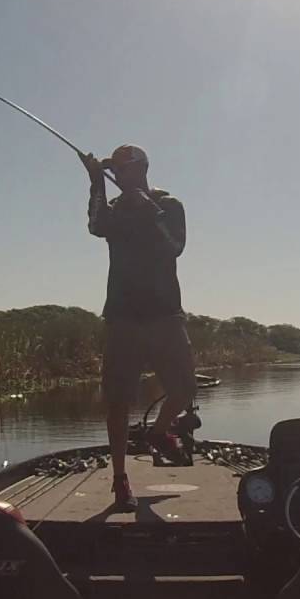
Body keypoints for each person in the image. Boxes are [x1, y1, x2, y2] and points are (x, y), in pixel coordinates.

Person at [80, 144, 196, 512]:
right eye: (116, 169)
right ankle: (120, 479)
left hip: (165, 314)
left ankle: (159, 432)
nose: (121, 174)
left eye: (124, 168)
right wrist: (95, 181)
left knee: (184, 389)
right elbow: (96, 226)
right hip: (123, 318)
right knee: (118, 402)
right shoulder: (114, 211)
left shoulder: (169, 205)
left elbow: (174, 247)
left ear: (142, 168)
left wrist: (151, 211)